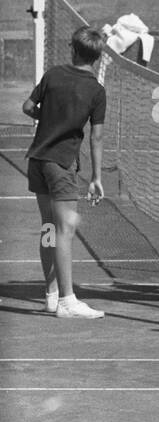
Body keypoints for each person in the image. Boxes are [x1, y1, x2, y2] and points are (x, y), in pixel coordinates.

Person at [22, 26, 107, 320]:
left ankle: (51, 295)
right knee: (64, 231)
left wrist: (45, 116)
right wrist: (96, 177)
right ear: (97, 58)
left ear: (73, 49)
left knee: (48, 227)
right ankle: (68, 301)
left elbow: (28, 106)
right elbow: (96, 137)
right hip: (60, 165)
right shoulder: (96, 91)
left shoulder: (53, 75)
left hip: (37, 160)